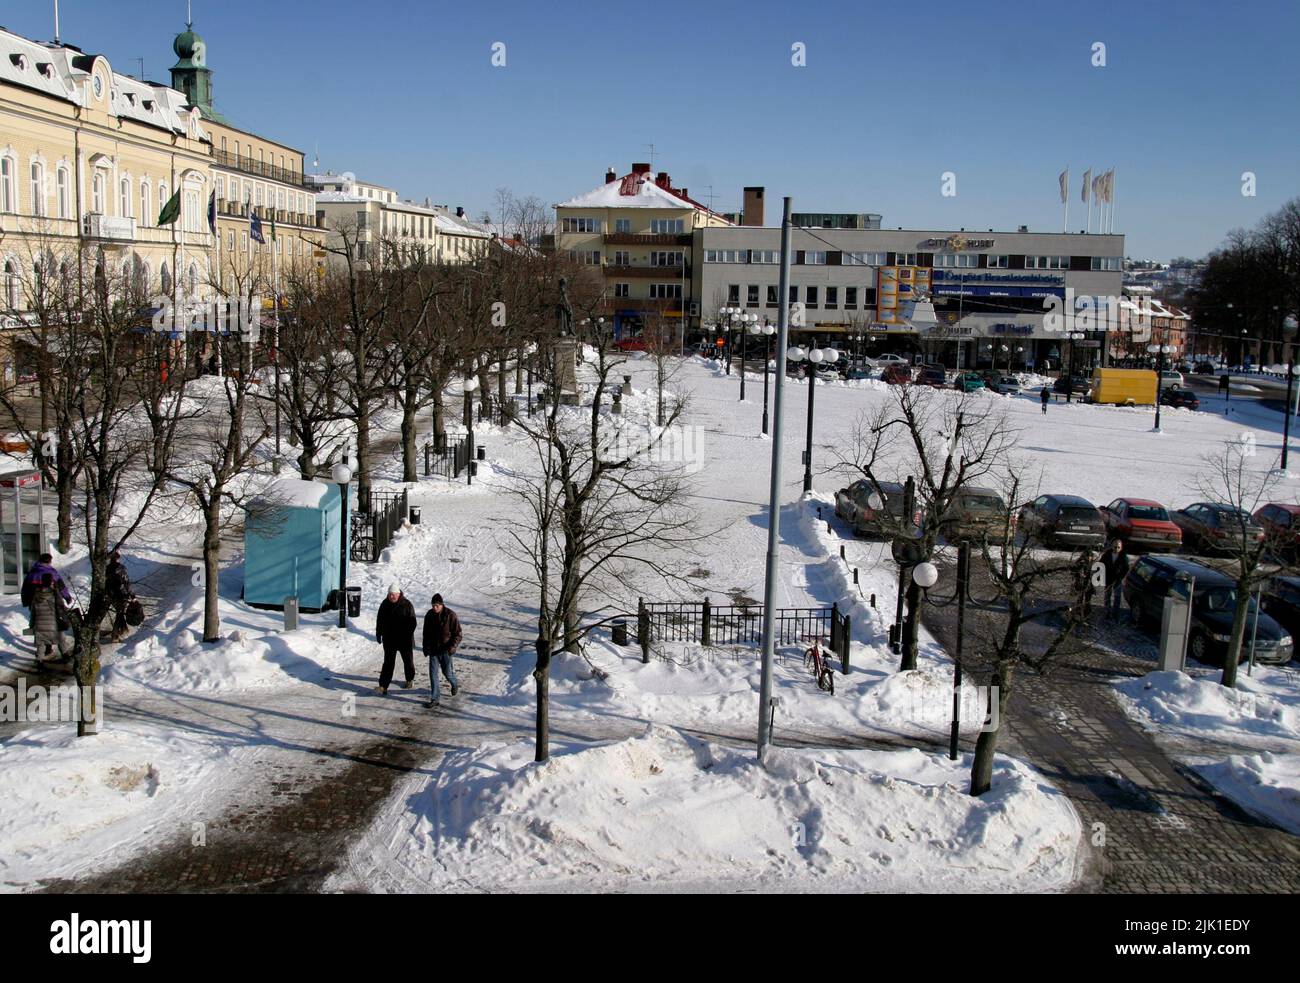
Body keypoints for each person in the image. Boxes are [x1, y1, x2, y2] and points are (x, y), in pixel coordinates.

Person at [374, 584, 417, 695]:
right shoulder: (384, 604)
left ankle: (409, 679)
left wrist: (406, 634)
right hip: (389, 640)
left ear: (399, 594)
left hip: (404, 640)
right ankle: (383, 686)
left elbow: (413, 623)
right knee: (388, 663)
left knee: (408, 661)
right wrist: (379, 633)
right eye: (390, 594)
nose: (392, 597)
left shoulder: (406, 604)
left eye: (394, 595)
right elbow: (380, 620)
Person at [422, 593, 462, 709]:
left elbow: (458, 634)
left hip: (446, 650)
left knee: (447, 673)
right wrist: (426, 647)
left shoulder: (450, 615)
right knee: (433, 674)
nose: (435, 608)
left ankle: (454, 684)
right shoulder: (429, 615)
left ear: (442, 605)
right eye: (433, 605)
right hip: (433, 650)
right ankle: (435, 698)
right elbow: (426, 634)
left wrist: (452, 647)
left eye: (437, 606)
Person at [29, 573, 72, 662]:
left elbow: (33, 612)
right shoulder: (54, 593)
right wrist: (65, 619)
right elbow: (61, 608)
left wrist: (32, 624)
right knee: (61, 640)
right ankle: (66, 657)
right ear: (51, 582)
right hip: (53, 624)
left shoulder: (36, 595)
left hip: (39, 625)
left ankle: (39, 662)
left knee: (40, 645)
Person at [106, 550, 133, 642]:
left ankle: (122, 630)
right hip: (121, 594)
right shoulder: (122, 568)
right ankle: (115, 634)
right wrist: (131, 595)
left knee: (119, 612)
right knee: (120, 613)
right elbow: (126, 582)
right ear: (118, 558)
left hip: (110, 594)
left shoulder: (106, 568)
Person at [1101, 540, 1130, 618]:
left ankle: (1115, 613)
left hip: (1117, 580)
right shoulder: (1107, 555)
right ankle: (1107, 611)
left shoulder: (1123, 556)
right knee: (1107, 596)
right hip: (1108, 578)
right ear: (1112, 546)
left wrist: (1120, 577)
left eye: (1118, 547)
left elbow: (1126, 568)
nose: (1116, 549)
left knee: (1117, 597)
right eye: (1115, 547)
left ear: (1121, 548)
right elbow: (1101, 565)